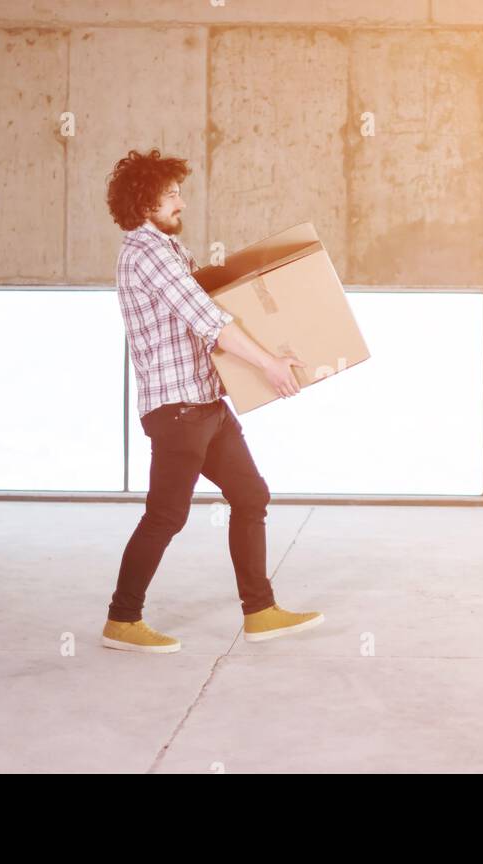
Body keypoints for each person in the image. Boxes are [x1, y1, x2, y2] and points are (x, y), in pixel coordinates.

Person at [101, 147, 324, 654]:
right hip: (178, 410)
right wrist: (267, 365)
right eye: (172, 195)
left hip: (207, 403)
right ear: (144, 202)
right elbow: (208, 320)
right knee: (166, 516)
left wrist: (274, 346)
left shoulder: (170, 250)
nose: (181, 203)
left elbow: (220, 311)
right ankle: (122, 618)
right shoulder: (146, 253)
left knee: (251, 497)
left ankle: (260, 611)